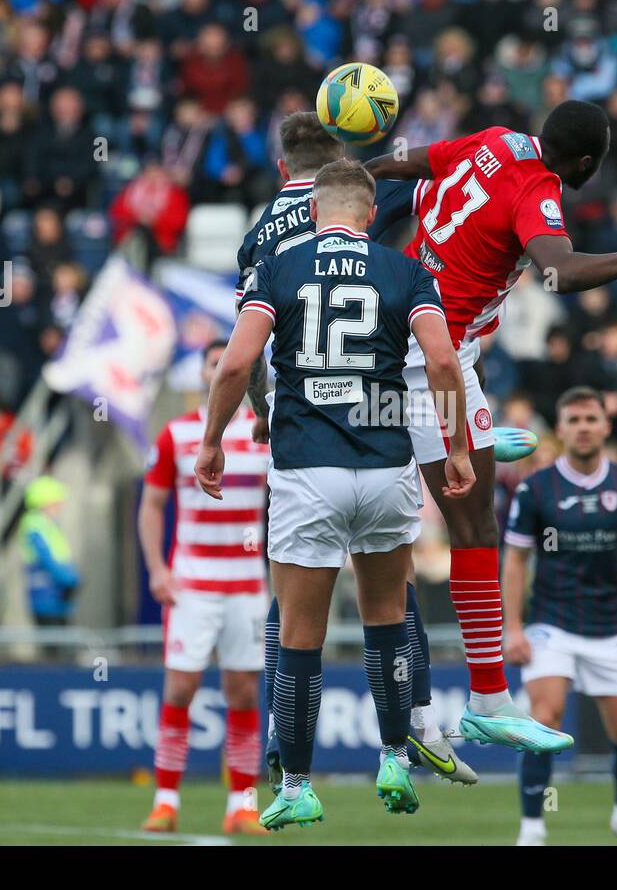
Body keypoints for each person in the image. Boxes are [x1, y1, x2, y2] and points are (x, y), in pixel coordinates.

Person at [365, 100, 617, 748]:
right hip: (430, 353)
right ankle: (488, 702)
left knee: (453, 479)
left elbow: (412, 163)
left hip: (401, 322)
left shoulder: (496, 141)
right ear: (584, 161)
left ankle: (469, 438)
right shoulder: (538, 187)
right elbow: (559, 270)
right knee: (472, 518)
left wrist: (353, 178)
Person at [199, 159, 473, 830]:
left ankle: (296, 785)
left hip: (307, 468)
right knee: (386, 621)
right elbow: (442, 360)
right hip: (385, 467)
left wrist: (211, 440)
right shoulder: (408, 272)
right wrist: (459, 446)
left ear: (316, 213)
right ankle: (391, 755)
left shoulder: (280, 269)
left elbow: (237, 362)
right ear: (372, 213)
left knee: (299, 637)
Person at [503, 386, 617, 847]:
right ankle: (532, 827)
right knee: (545, 718)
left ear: (605, 426)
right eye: (574, 420)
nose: (583, 428)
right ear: (560, 429)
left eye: (591, 419)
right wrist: (513, 626)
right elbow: (516, 559)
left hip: (608, 625)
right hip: (551, 622)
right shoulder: (537, 487)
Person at [138, 339, 271, 836]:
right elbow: (151, 505)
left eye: (229, 364)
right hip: (193, 583)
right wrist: (156, 567)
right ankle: (166, 799)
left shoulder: (264, 432)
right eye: (215, 365)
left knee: (241, 693)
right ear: (203, 375)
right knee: (180, 686)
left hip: (245, 583)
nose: (223, 372)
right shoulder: (177, 434)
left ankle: (242, 802)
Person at [18, 476, 80, 630]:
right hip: (47, 598)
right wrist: (70, 580)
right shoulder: (36, 526)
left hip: (57, 598)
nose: (60, 507)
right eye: (56, 503)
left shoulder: (45, 525)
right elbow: (47, 560)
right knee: (57, 649)